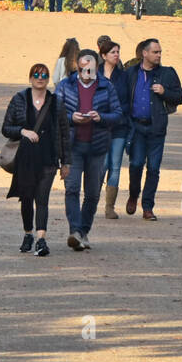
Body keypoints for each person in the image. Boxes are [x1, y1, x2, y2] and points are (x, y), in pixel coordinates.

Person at [2, 63, 70, 257]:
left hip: (48, 158)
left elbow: (64, 133)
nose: (40, 78)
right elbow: (6, 128)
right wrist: (23, 131)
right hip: (25, 158)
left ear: (48, 79)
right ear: (30, 78)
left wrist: (66, 162)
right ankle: (28, 233)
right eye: (36, 74)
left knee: (42, 199)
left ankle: (41, 240)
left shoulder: (56, 102)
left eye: (44, 75)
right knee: (26, 199)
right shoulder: (19, 99)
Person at [57, 49, 120, 249]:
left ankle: (83, 232)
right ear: (77, 65)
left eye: (91, 65)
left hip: (98, 146)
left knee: (92, 194)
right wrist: (70, 118)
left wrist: (101, 117)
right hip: (73, 147)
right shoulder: (64, 86)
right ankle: (75, 231)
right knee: (72, 189)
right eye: (83, 65)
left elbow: (118, 114)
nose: (87, 69)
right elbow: (54, 114)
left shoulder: (106, 86)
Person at [122, 38, 182, 219]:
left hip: (156, 128)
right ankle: (134, 194)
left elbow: (180, 97)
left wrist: (165, 92)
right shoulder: (131, 73)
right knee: (135, 164)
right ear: (144, 53)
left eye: (160, 52)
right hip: (136, 127)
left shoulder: (167, 73)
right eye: (155, 52)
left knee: (154, 168)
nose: (158, 55)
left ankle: (148, 207)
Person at [99, 39, 131, 219]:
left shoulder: (123, 76)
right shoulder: (95, 74)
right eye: (113, 52)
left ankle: (109, 206)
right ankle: (92, 199)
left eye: (118, 51)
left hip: (119, 126)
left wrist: (118, 113)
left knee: (116, 166)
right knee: (102, 164)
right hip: (100, 127)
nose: (116, 55)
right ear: (104, 55)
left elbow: (127, 101)